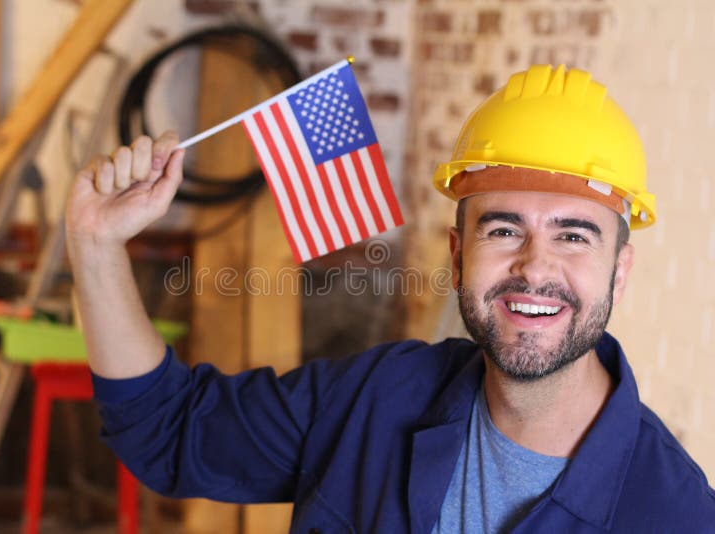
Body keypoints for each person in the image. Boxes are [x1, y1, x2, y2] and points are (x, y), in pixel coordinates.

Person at [66, 64, 715, 532]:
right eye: (503, 228)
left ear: (619, 272)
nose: (534, 265)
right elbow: (168, 433)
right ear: (459, 256)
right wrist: (95, 246)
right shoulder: (377, 397)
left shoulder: (674, 512)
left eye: (573, 235)